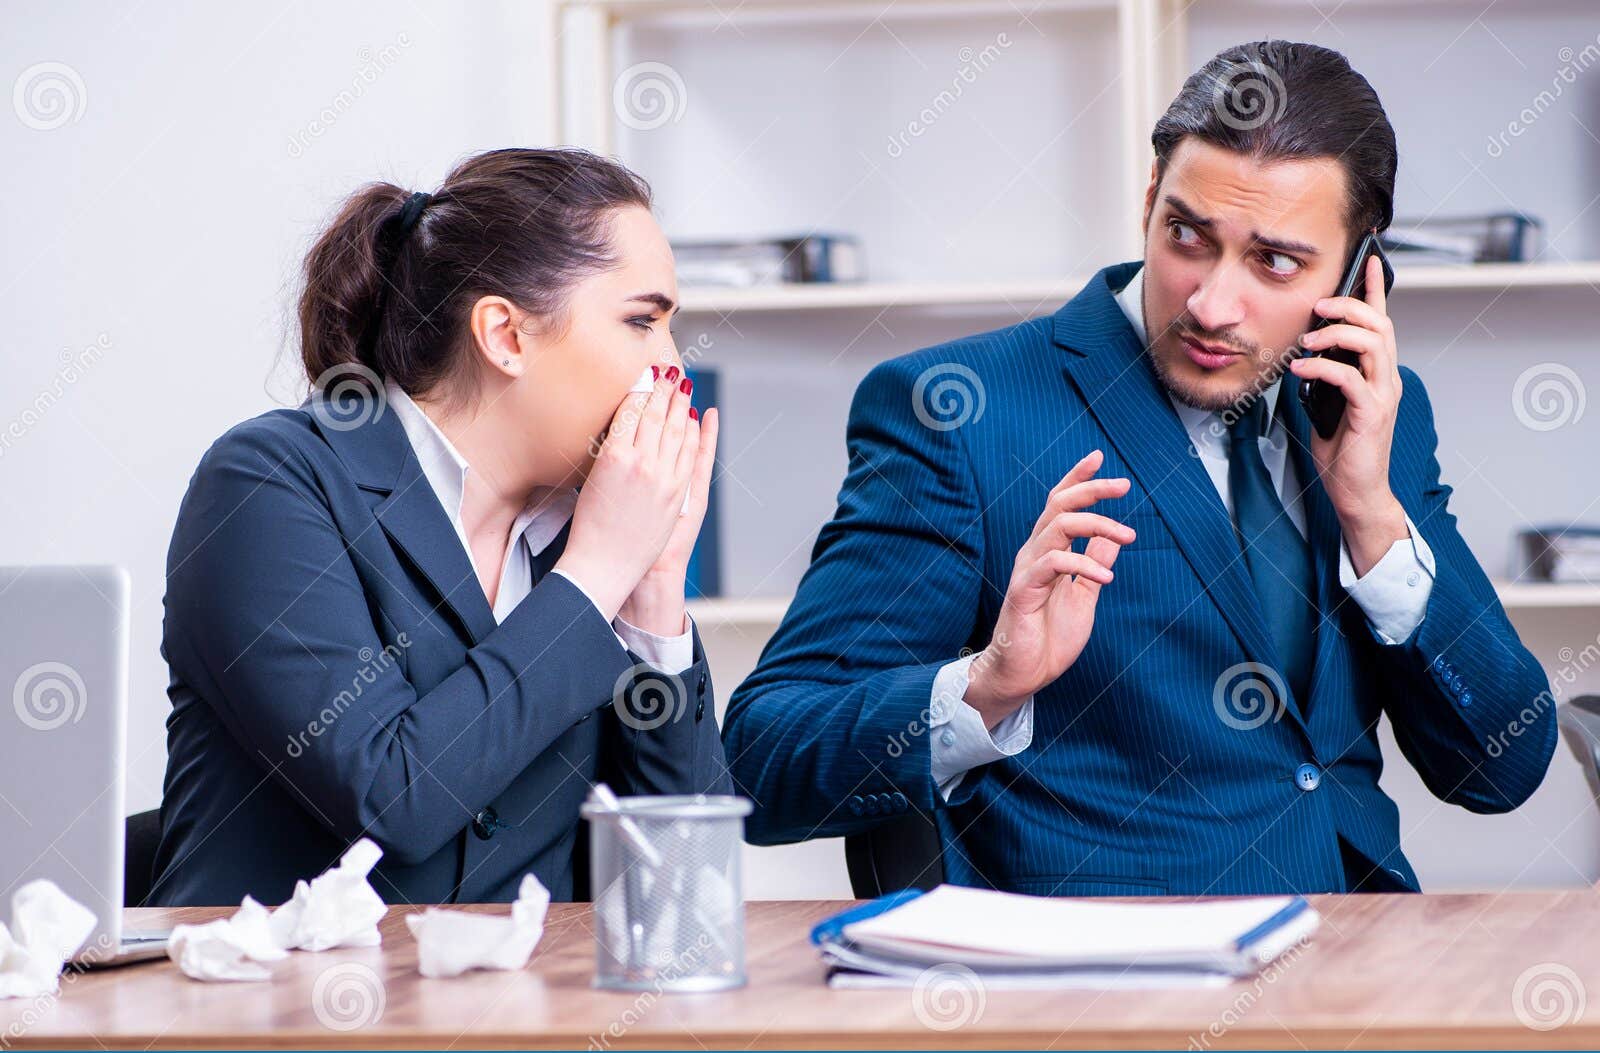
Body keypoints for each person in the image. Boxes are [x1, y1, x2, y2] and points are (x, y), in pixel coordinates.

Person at [724, 41, 1556, 896]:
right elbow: (761, 760)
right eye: (1188, 236)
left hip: (1352, 964)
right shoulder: (962, 413)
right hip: (1108, 995)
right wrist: (984, 687)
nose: (1210, 305)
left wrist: (1372, 514)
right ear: (1151, 199)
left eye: (1275, 261)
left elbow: (1500, 769)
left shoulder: (1381, 415)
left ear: (1358, 274)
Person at [151, 148, 725, 906]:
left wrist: (652, 595)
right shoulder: (270, 482)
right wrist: (598, 575)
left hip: (520, 1018)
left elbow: (685, 896)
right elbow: (395, 797)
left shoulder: (586, 535)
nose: (670, 366)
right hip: (278, 1012)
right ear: (505, 335)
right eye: (641, 323)